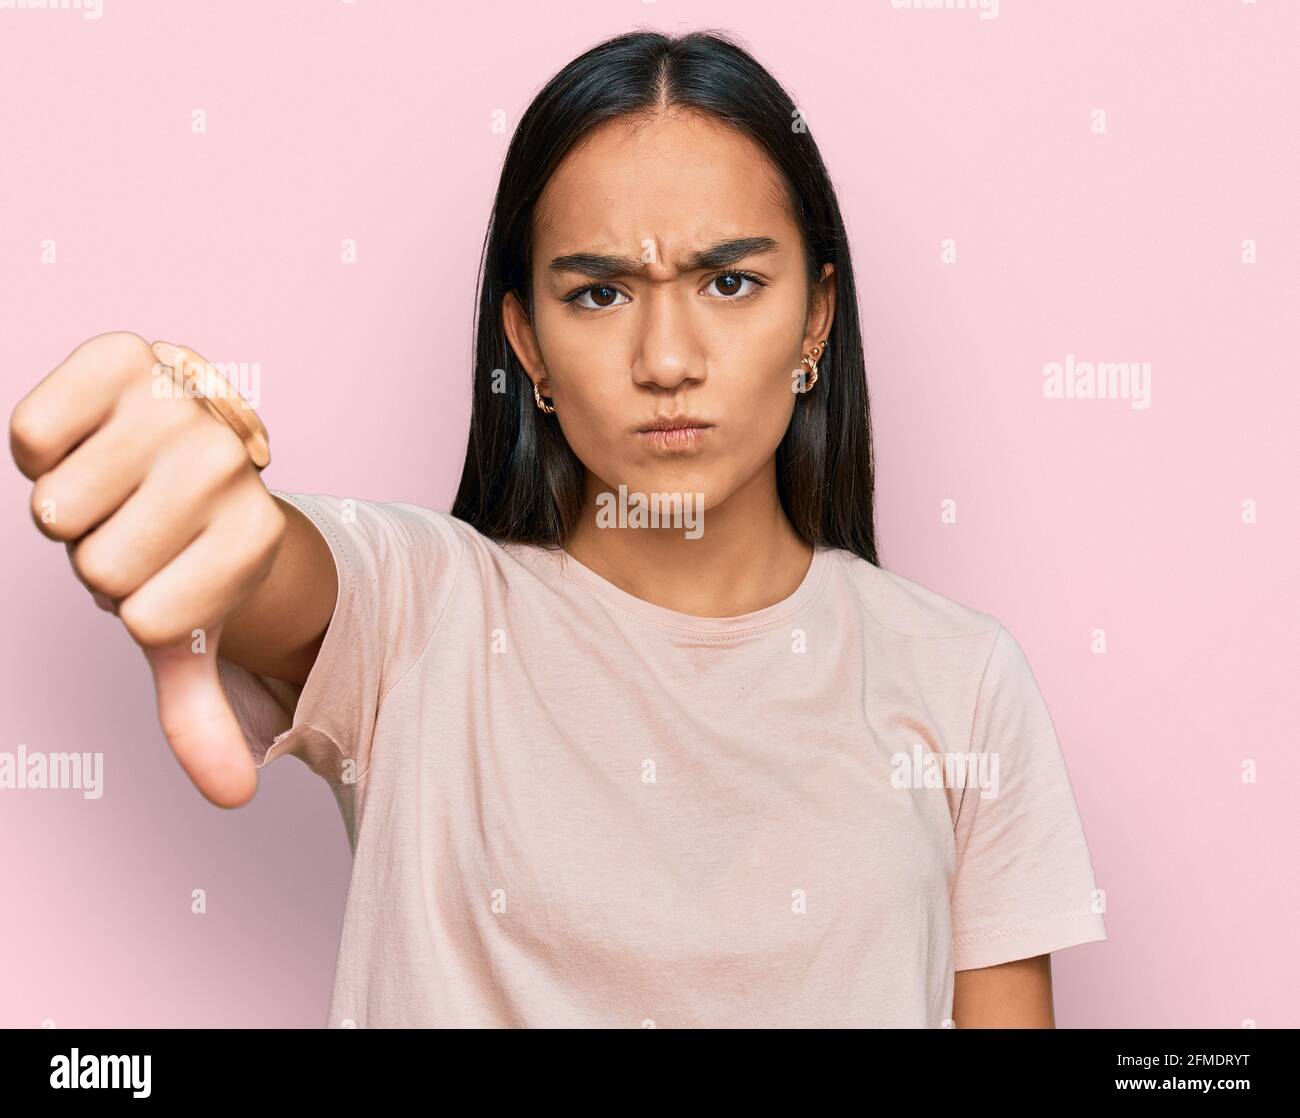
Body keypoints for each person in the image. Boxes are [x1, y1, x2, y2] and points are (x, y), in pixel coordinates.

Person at [9, 29, 1106, 1028]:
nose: (667, 359)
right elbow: (285, 565)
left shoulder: (960, 677)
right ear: (524, 341)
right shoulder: (421, 614)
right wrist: (195, 503)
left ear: (814, 316)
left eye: (729, 281)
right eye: (598, 294)